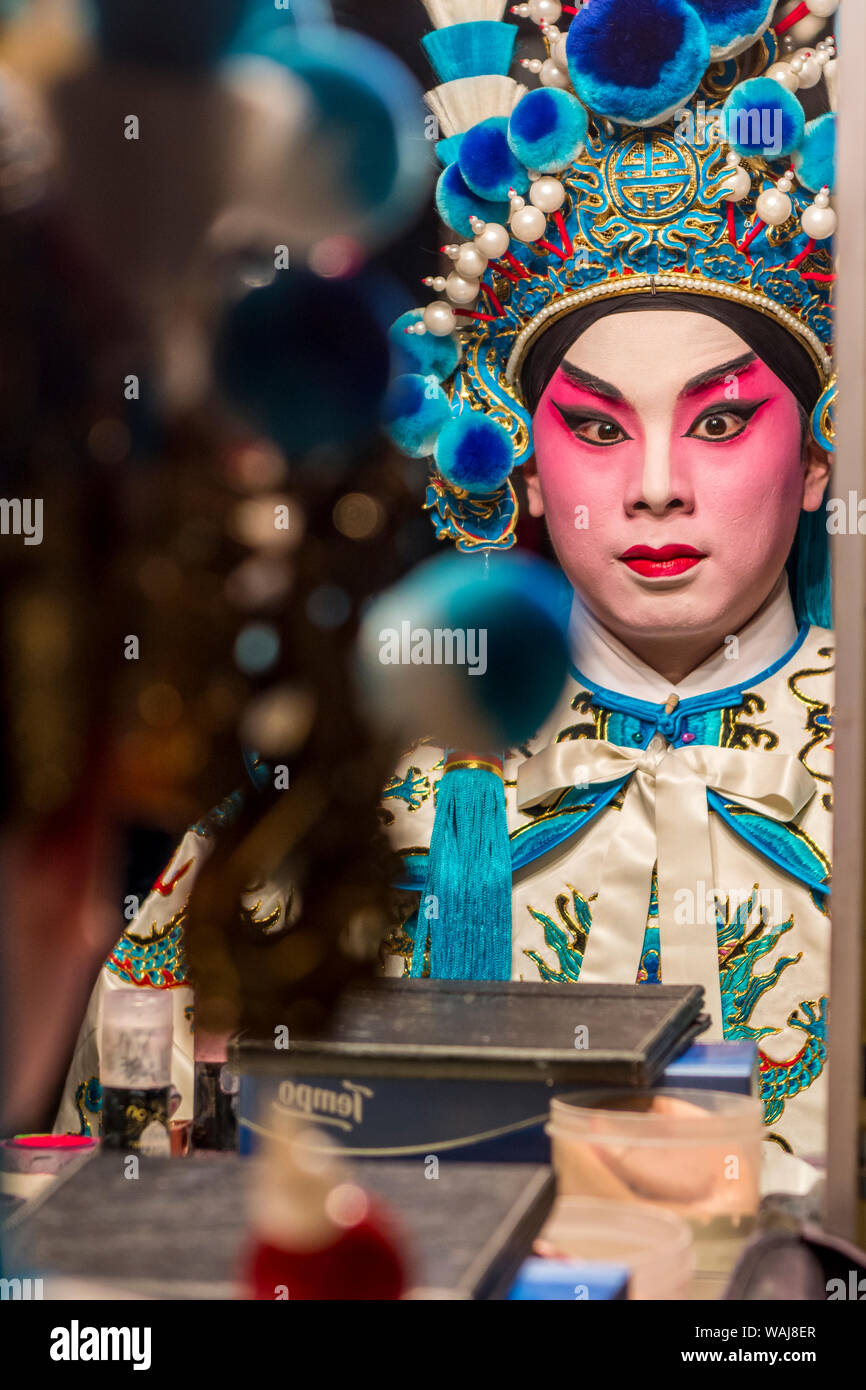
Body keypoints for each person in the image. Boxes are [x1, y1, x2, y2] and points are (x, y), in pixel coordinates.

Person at [57, 0, 839, 1159]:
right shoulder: (339, 798)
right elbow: (119, 1199)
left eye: (720, 419)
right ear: (519, 460)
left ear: (819, 454)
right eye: (596, 427)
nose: (656, 487)